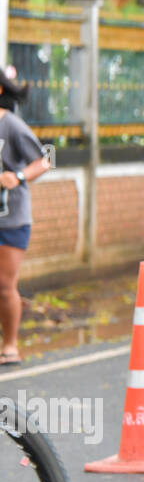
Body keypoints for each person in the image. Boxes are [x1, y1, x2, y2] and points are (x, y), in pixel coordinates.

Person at [0, 74, 51, 365]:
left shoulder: (10, 125)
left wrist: (17, 176)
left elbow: (44, 160)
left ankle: (10, 345)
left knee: (4, 285)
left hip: (10, 220)